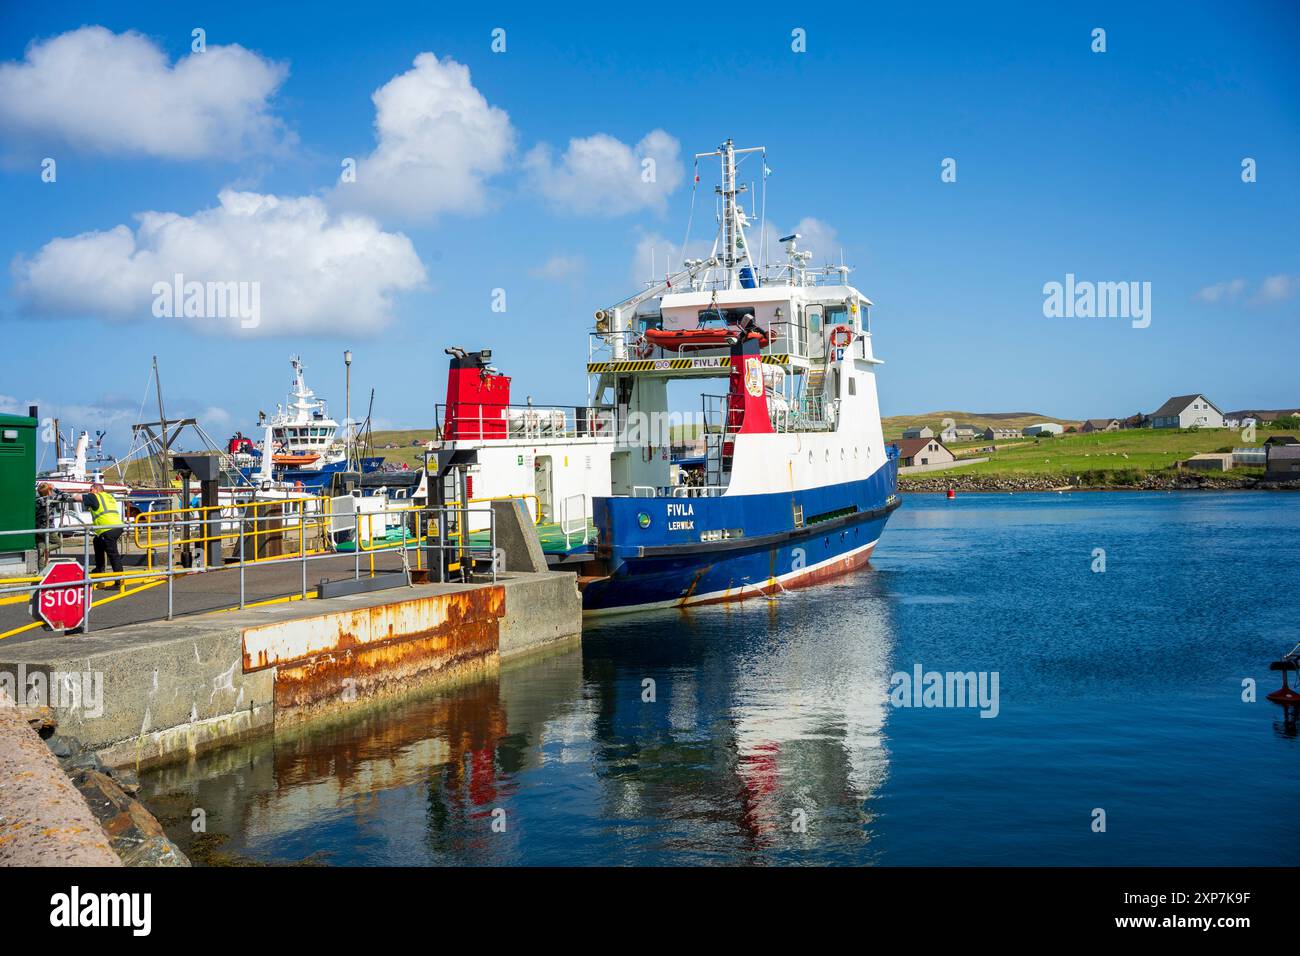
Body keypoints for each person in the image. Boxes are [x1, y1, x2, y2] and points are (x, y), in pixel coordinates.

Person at [72, 482, 125, 589]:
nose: (89, 491)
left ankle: (119, 582)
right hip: (116, 526)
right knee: (97, 541)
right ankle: (99, 568)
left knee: (113, 554)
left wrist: (71, 496)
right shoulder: (108, 496)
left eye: (90, 489)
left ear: (96, 490)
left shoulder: (94, 496)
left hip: (107, 529)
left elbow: (77, 498)